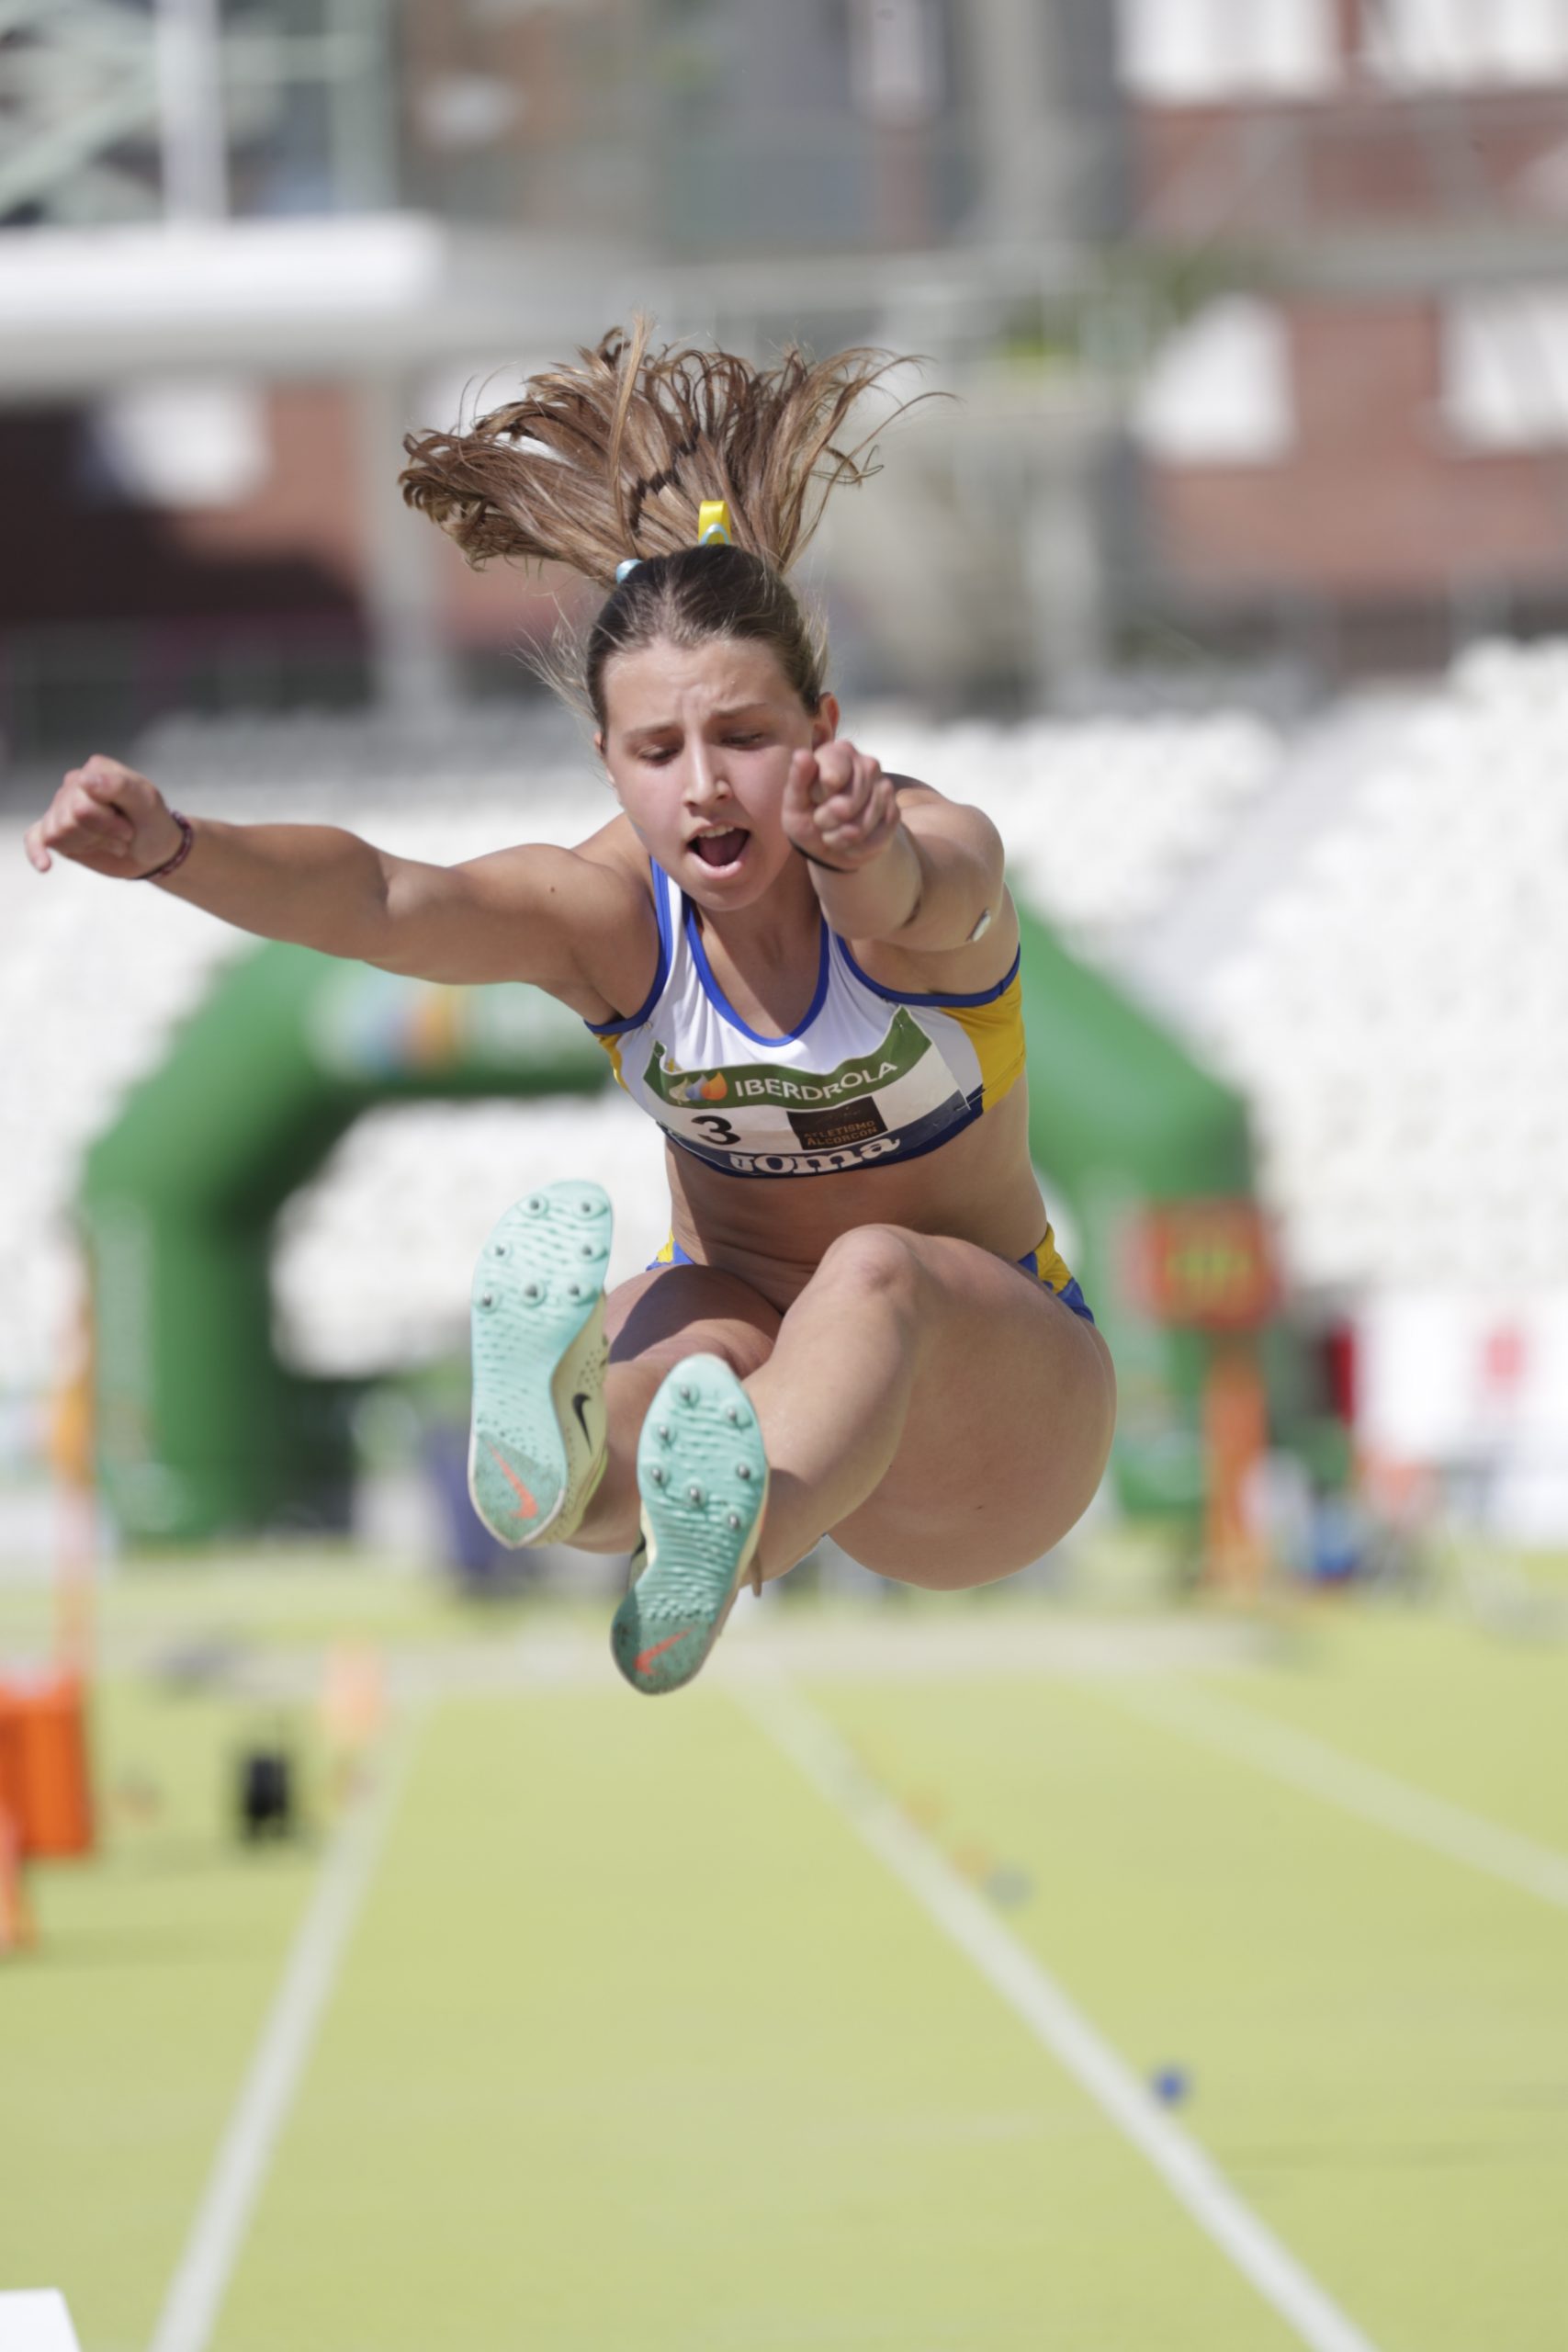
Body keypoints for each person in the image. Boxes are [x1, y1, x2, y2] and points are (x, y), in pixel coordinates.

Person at [23, 322, 1116, 1696]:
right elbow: (382, 898)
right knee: (678, 1328)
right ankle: (561, 1473)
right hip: (759, 1371)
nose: (706, 787)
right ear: (609, 765)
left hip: (993, 1414)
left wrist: (866, 852)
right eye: (660, 752)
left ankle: (722, 1548)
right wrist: (179, 846)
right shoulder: (610, 922)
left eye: (747, 739)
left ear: (821, 727)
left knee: (872, 1269)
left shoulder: (917, 841)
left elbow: (930, 892)